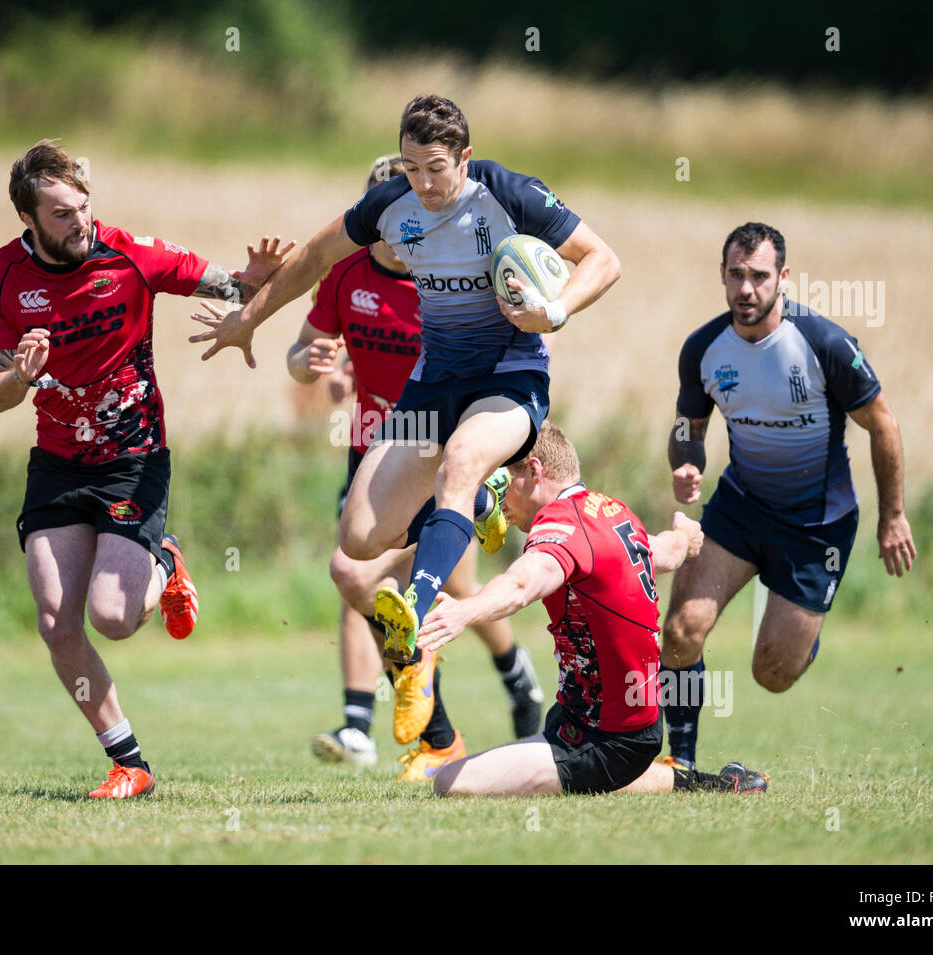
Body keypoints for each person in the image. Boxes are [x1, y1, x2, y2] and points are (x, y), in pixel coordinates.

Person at [191, 94, 622, 687]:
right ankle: (478, 504)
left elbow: (603, 258)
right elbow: (315, 255)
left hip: (509, 374)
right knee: (359, 539)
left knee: (463, 462)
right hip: (432, 383)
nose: (422, 183)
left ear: (465, 158)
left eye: (435, 168)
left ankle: (415, 610)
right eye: (411, 167)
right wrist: (249, 319)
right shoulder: (390, 206)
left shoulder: (511, 193)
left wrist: (556, 309)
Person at [0, 140, 291, 798]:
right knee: (56, 619)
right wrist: (21, 377)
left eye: (84, 206)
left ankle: (165, 563)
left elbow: (232, 285)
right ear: (28, 221)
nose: (80, 221)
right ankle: (130, 763)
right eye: (61, 213)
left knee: (113, 618)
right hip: (58, 465)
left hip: (132, 460)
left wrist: (254, 280)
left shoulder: (129, 254)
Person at [287, 155, 545, 774]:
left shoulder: (448, 277)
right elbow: (301, 353)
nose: (409, 227)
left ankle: (412, 721)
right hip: (374, 451)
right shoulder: (347, 275)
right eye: (394, 216)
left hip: (442, 449)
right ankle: (501, 685)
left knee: (366, 577)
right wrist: (313, 362)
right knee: (388, 583)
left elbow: (519, 336)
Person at [658, 221, 916, 770]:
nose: (746, 289)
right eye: (735, 275)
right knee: (680, 632)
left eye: (758, 276)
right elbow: (688, 429)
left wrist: (892, 515)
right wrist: (686, 465)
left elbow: (884, 425)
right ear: (722, 276)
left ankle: (802, 634)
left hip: (817, 527)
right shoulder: (704, 348)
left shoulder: (824, 344)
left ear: (784, 278)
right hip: (741, 509)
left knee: (771, 675)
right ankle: (679, 762)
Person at [416, 422, 768, 796]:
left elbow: (523, 583)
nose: (499, 501)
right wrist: (684, 535)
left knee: (449, 783)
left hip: (606, 734)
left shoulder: (563, 525)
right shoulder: (612, 512)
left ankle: (687, 782)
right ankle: (716, 784)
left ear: (534, 472)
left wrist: (464, 612)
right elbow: (663, 551)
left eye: (504, 482)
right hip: (603, 721)